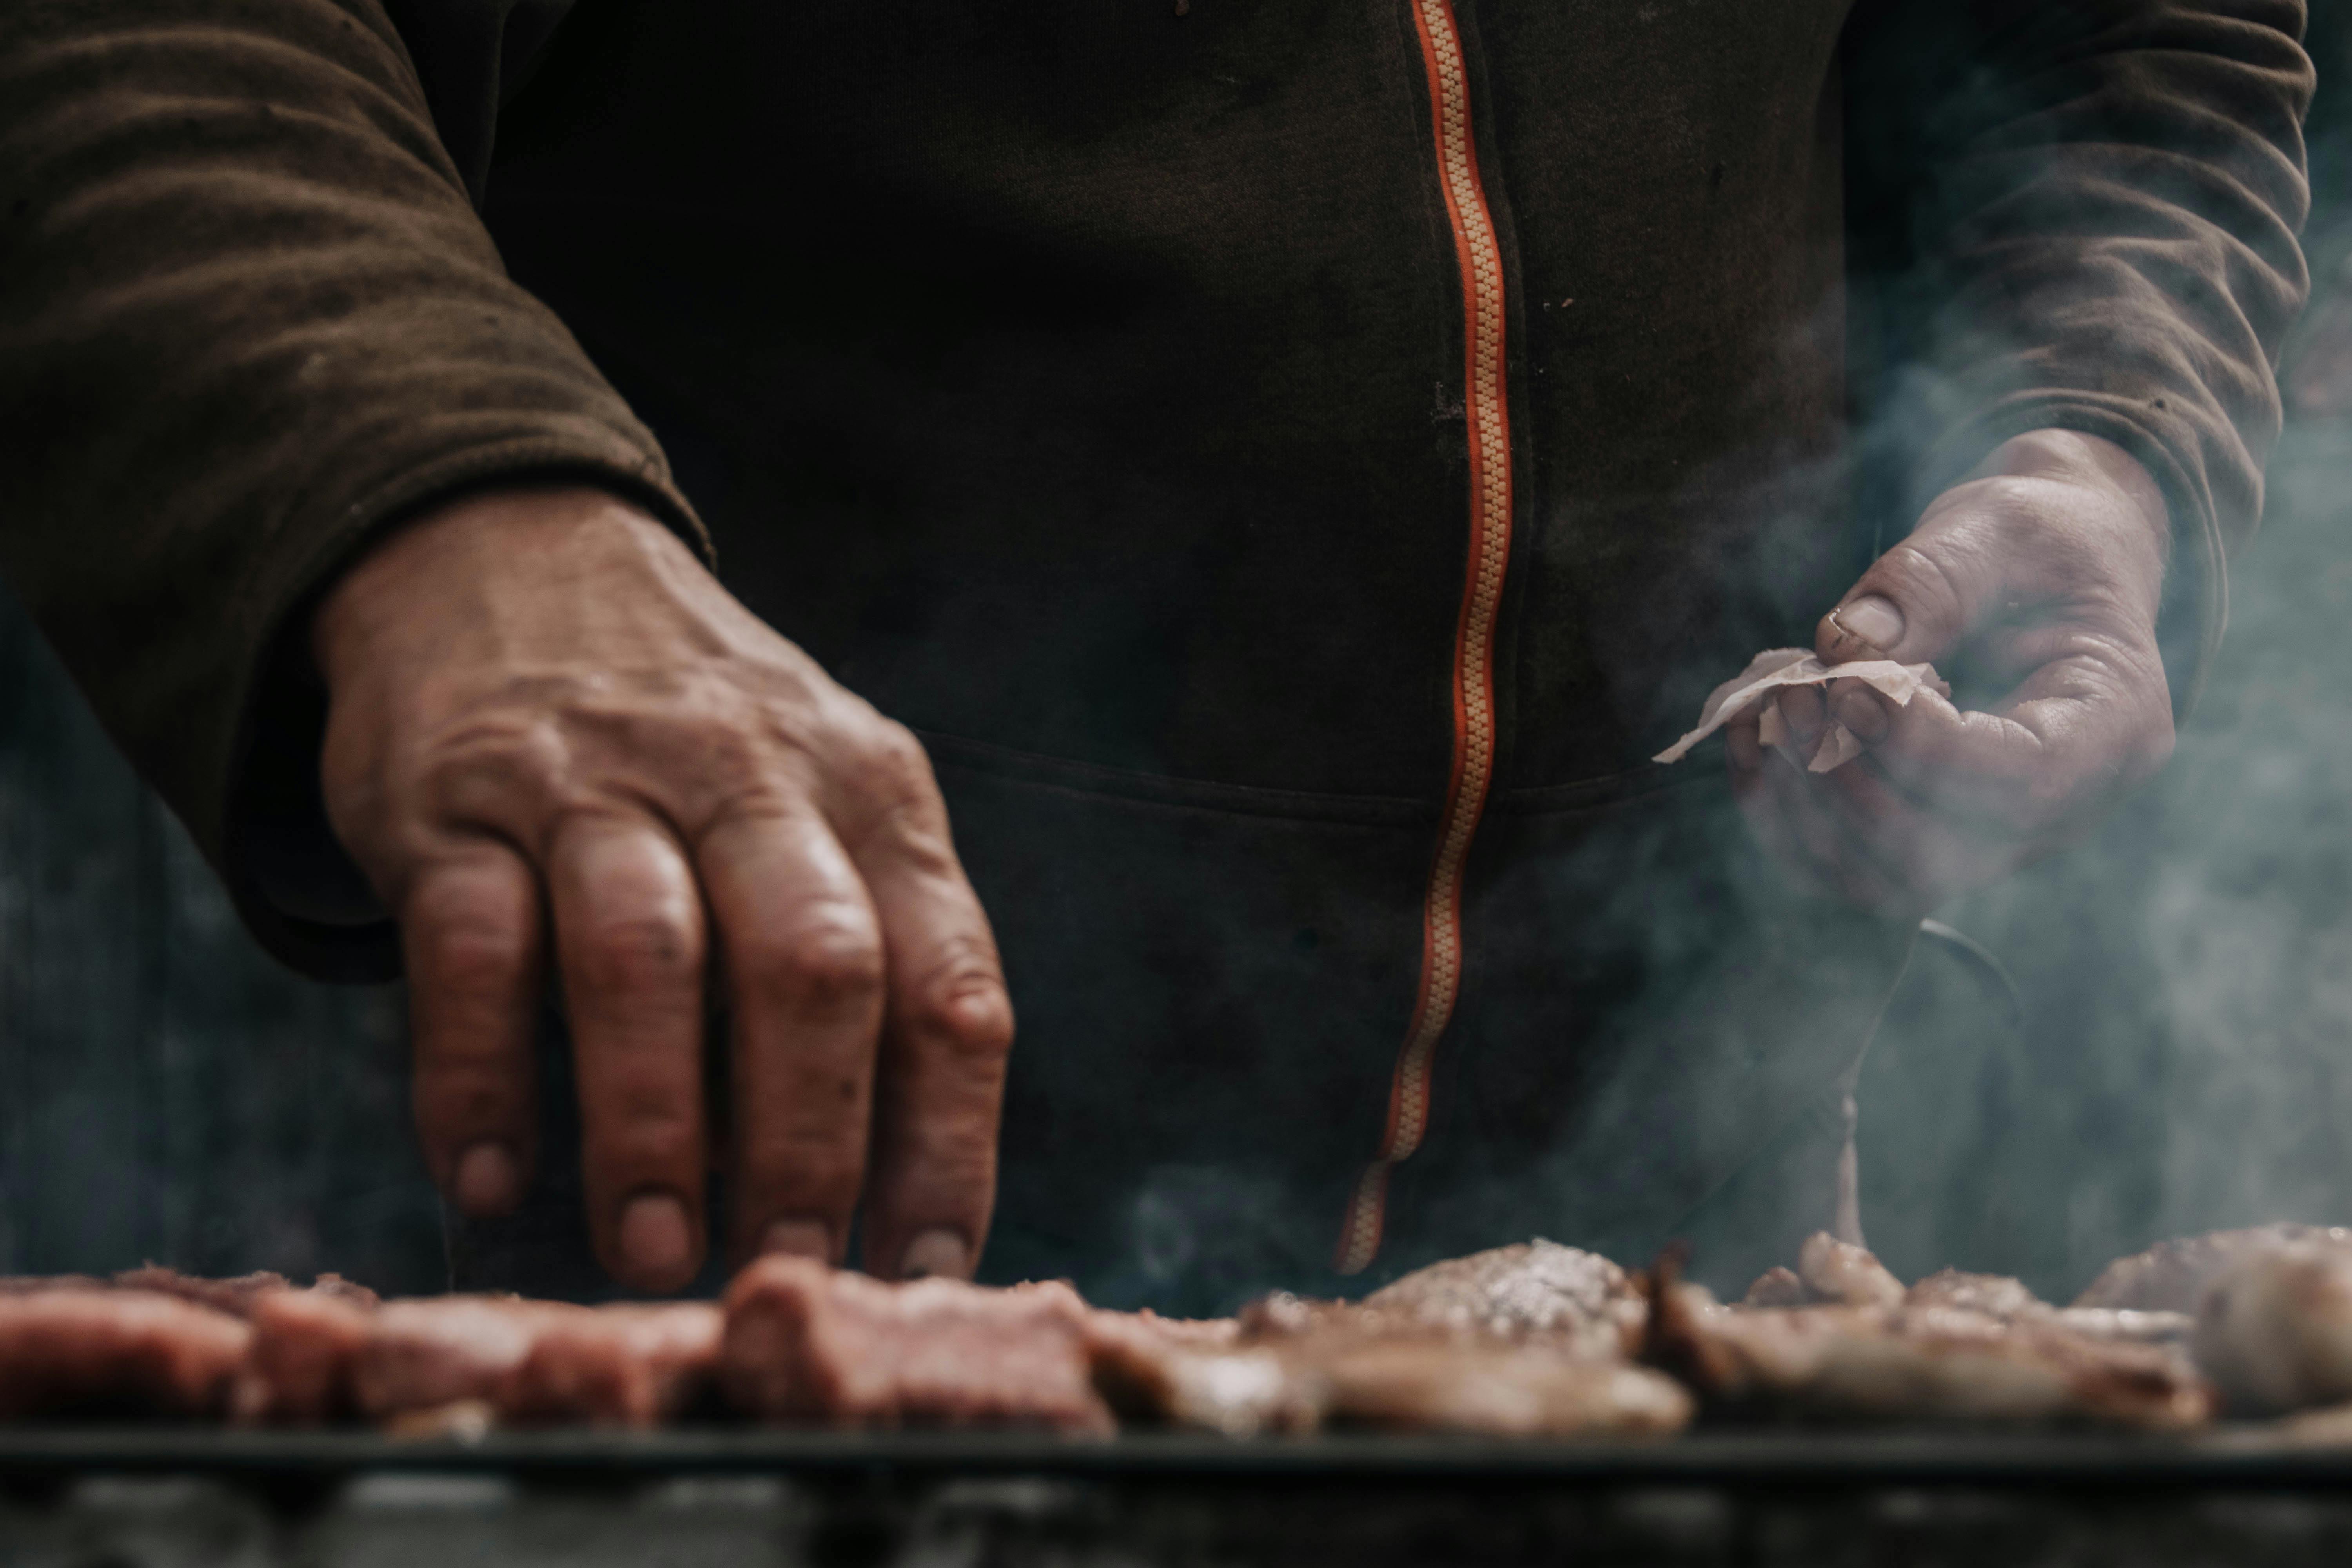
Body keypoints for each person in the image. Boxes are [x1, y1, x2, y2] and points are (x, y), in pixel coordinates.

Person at [0, 0, 2312, 1307]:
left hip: (1657, 1282)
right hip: (674, 1243)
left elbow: (2119, 34)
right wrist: (447, 489)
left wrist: (2101, 411)